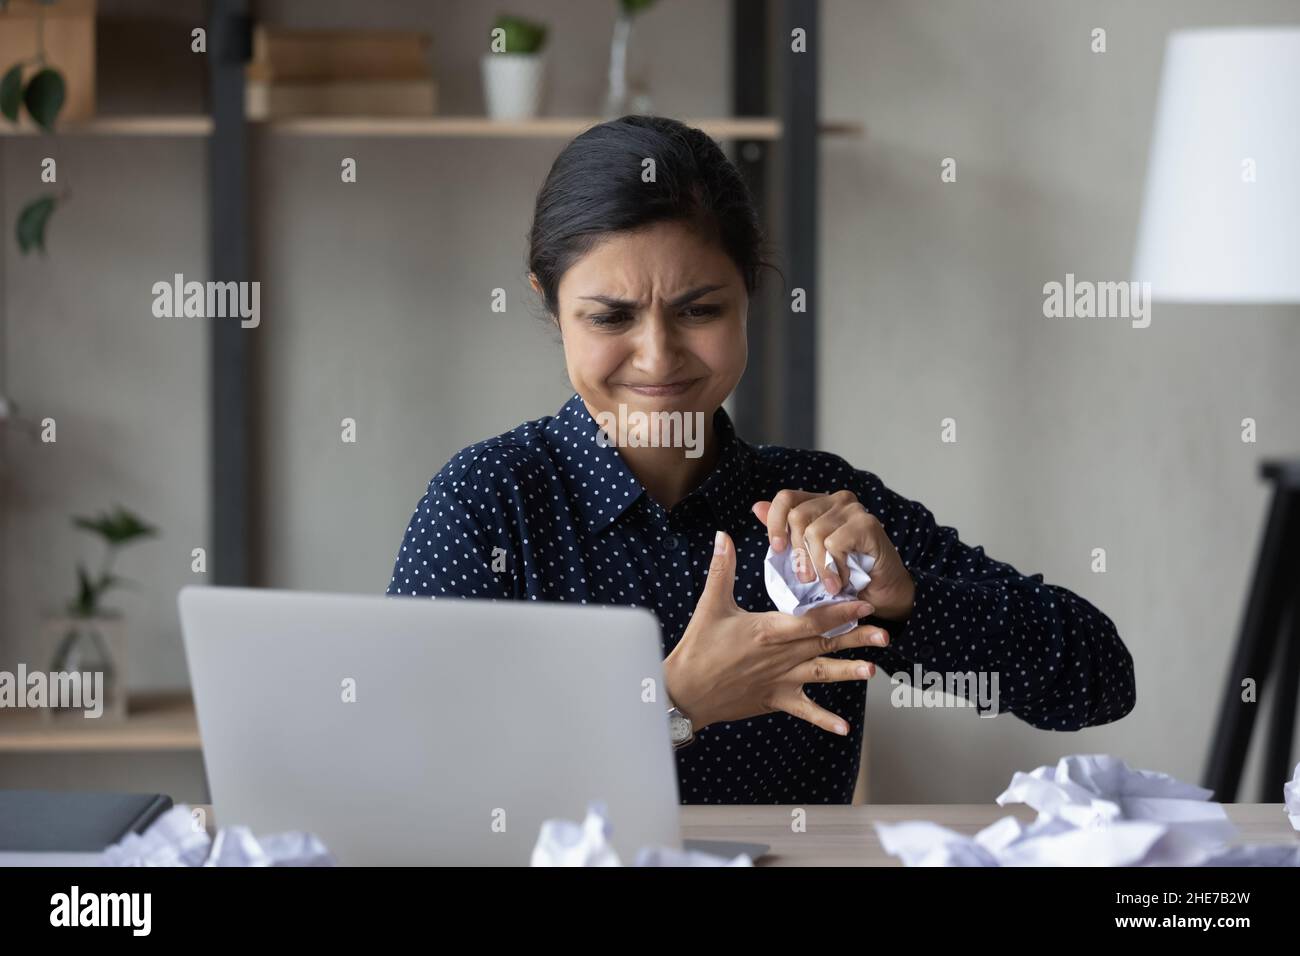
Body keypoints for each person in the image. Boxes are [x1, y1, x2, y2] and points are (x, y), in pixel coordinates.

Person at [387, 115, 1136, 804]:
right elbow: (408, 775)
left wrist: (908, 603)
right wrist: (674, 701)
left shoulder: (821, 505)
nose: (658, 356)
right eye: (611, 316)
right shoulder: (488, 502)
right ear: (551, 307)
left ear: (749, 293)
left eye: (699, 310)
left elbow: (1100, 680)